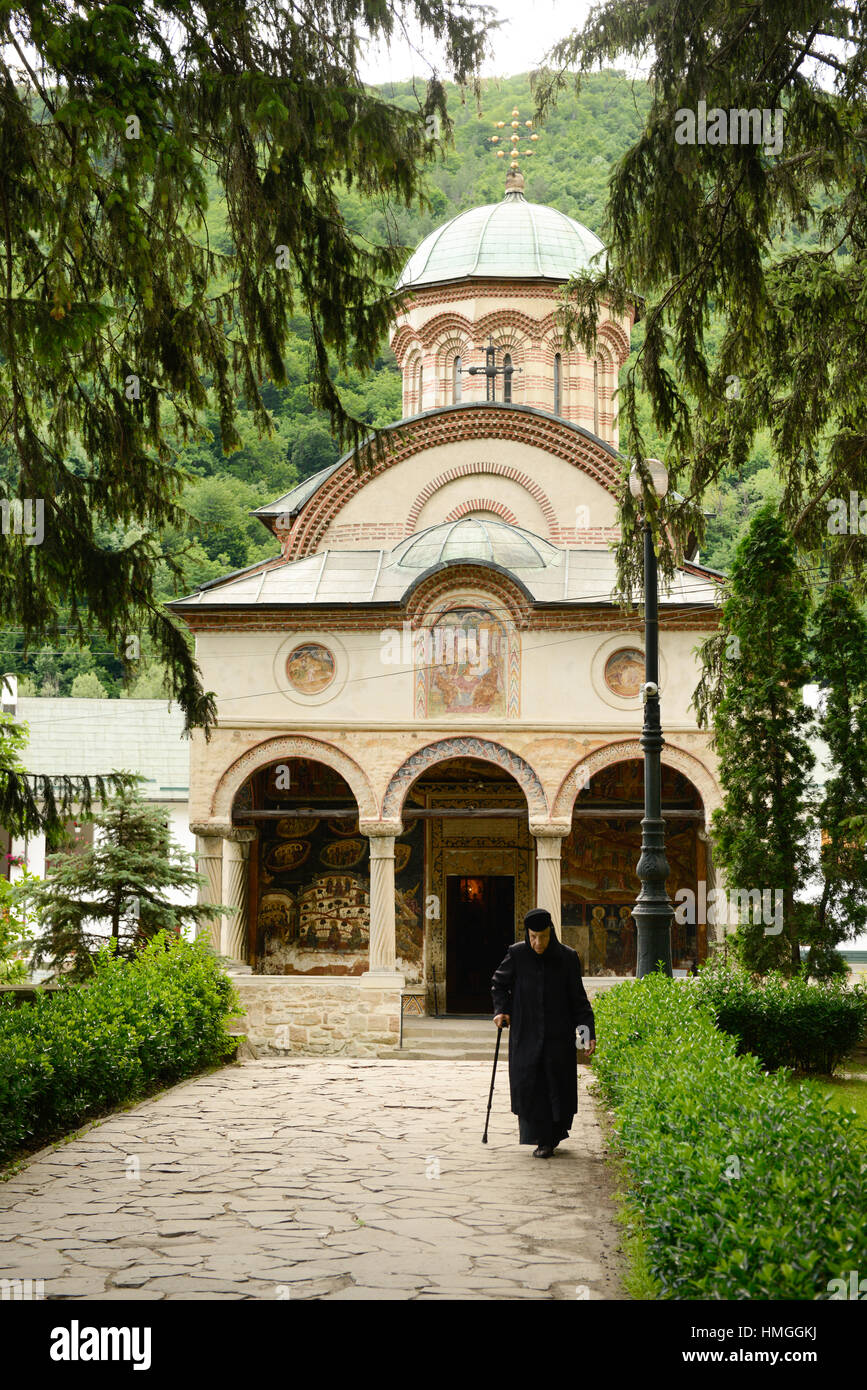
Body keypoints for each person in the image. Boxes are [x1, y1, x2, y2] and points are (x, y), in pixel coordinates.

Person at [491, 907, 596, 1158]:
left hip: (557, 1037)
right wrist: (501, 1010)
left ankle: (551, 1137)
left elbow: (578, 1001)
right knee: (531, 1085)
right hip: (526, 1035)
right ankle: (540, 1138)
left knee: (555, 1086)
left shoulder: (568, 958)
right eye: (533, 937)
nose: (538, 943)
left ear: (552, 933)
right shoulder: (517, 954)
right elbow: (499, 984)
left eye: (543, 937)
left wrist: (587, 1034)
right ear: (528, 935)